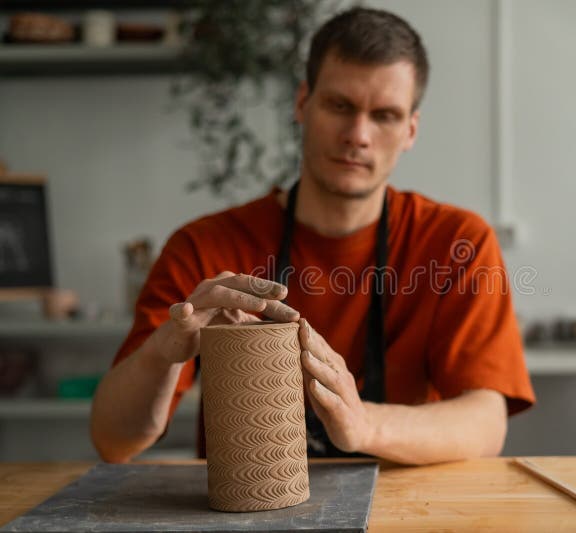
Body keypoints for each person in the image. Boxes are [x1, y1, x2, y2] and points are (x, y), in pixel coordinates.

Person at [90, 7, 535, 466]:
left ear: (410, 131)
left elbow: (485, 423)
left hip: (403, 506)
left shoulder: (456, 243)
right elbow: (114, 441)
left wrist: (362, 425)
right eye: (340, 106)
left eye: (384, 115)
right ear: (303, 103)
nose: (358, 135)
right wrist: (161, 354)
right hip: (250, 506)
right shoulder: (205, 247)